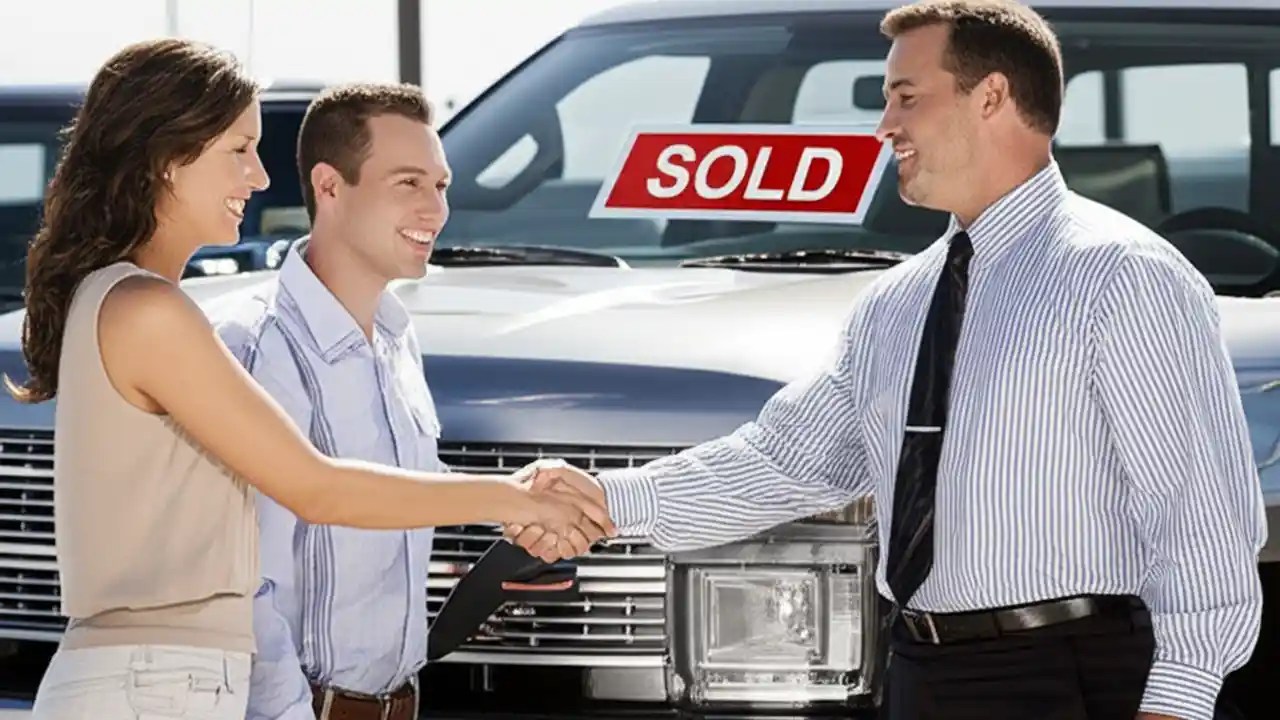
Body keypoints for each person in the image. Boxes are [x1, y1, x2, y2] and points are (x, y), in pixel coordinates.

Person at [506, 2, 1267, 720]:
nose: (883, 126)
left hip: (1073, 675)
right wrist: (606, 500)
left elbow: (1201, 515)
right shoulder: (898, 302)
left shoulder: (1123, 275)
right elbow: (786, 461)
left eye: (905, 96)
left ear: (991, 96)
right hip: (923, 672)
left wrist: (1180, 695)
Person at [9, 39, 613, 720]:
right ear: (168, 155)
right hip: (157, 685)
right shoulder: (150, 312)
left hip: (155, 680)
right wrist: (514, 498)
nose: (261, 178)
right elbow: (316, 486)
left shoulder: (127, 301)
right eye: (239, 149)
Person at [207, 82, 463, 720]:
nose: (436, 210)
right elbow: (240, 581)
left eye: (442, 186)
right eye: (409, 184)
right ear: (329, 186)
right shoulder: (252, 346)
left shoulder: (400, 342)